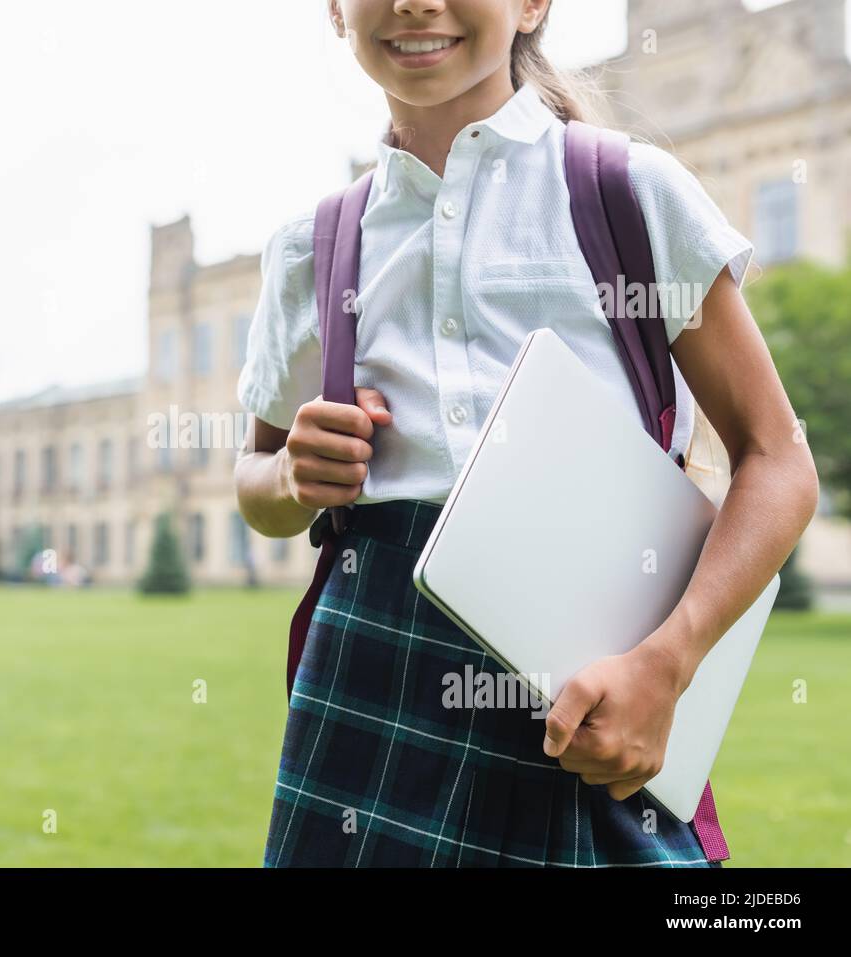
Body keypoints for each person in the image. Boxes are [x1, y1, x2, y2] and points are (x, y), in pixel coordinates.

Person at [234, 0, 819, 867]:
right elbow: (256, 477)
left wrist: (669, 662)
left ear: (535, 4)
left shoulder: (629, 192)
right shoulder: (310, 250)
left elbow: (778, 460)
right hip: (371, 685)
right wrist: (289, 481)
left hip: (591, 689)